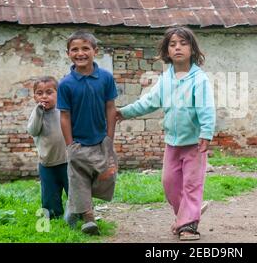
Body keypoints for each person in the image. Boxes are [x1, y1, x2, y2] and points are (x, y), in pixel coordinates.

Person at [116, 26, 215, 241]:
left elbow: (206, 108)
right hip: (173, 142)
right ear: (167, 51)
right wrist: (123, 113)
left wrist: (206, 133)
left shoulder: (199, 79)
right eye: (173, 44)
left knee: (192, 184)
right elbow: (148, 102)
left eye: (183, 43)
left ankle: (188, 225)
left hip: (195, 143)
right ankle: (186, 216)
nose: (178, 47)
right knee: (169, 184)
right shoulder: (165, 79)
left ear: (192, 49)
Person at [57, 31, 118, 235]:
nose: (80, 53)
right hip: (79, 143)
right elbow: (64, 116)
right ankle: (88, 218)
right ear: (68, 54)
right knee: (79, 179)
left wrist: (109, 137)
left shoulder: (106, 78)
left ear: (95, 51)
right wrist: (70, 145)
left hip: (101, 140)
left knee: (107, 175)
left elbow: (110, 107)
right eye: (75, 49)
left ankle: (74, 207)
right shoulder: (66, 84)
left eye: (85, 48)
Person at [27, 76, 68, 219]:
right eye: (39, 93)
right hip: (47, 162)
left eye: (49, 92)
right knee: (50, 193)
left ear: (58, 93)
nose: (44, 96)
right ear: (34, 97)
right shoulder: (37, 113)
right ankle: (53, 214)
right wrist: (39, 112)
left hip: (68, 160)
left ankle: (79, 214)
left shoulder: (64, 110)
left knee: (75, 191)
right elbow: (33, 130)